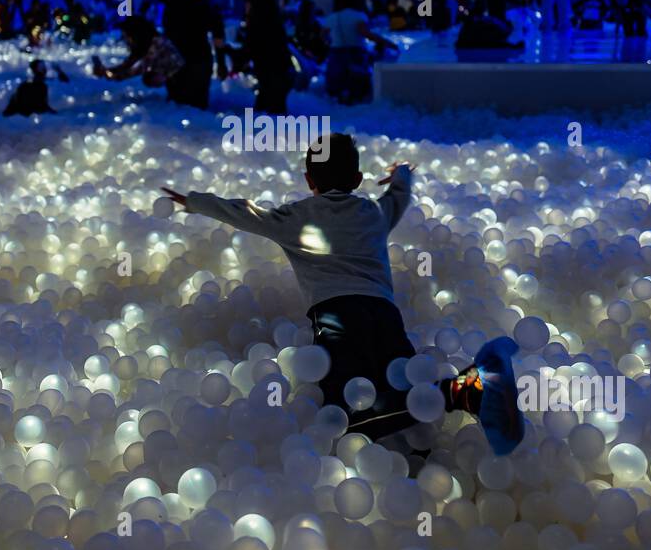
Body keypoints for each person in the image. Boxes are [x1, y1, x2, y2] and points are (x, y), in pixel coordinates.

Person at [159, 134, 525, 452]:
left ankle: (466, 391)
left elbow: (243, 212)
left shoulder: (295, 217)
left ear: (308, 180)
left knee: (342, 416)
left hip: (337, 316)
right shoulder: (373, 213)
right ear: (358, 179)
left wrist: (194, 201)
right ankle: (455, 406)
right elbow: (398, 196)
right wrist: (402, 173)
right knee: (403, 384)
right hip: (384, 313)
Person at [154, 0, 226, 108]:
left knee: (194, 109)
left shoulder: (194, 2)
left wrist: (221, 63)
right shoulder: (168, 6)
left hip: (197, 66)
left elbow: (217, 27)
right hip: (177, 68)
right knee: (178, 110)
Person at [322, 0, 396, 104]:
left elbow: (324, 36)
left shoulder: (331, 18)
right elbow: (366, 33)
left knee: (336, 85)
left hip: (335, 54)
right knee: (358, 83)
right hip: (355, 53)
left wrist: (331, 42)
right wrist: (386, 42)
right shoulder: (358, 16)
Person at [93, 15, 186, 91]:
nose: (126, 41)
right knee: (148, 78)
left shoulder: (156, 44)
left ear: (136, 35)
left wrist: (110, 74)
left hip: (182, 81)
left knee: (148, 78)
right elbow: (129, 65)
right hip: (176, 81)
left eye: (127, 37)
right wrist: (109, 71)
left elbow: (136, 70)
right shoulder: (149, 44)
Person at [242, 0, 294, 115]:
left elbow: (249, 49)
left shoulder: (256, 25)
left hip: (270, 75)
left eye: (248, 2)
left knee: (268, 110)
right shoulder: (274, 22)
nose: (245, 5)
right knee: (274, 110)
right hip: (279, 74)